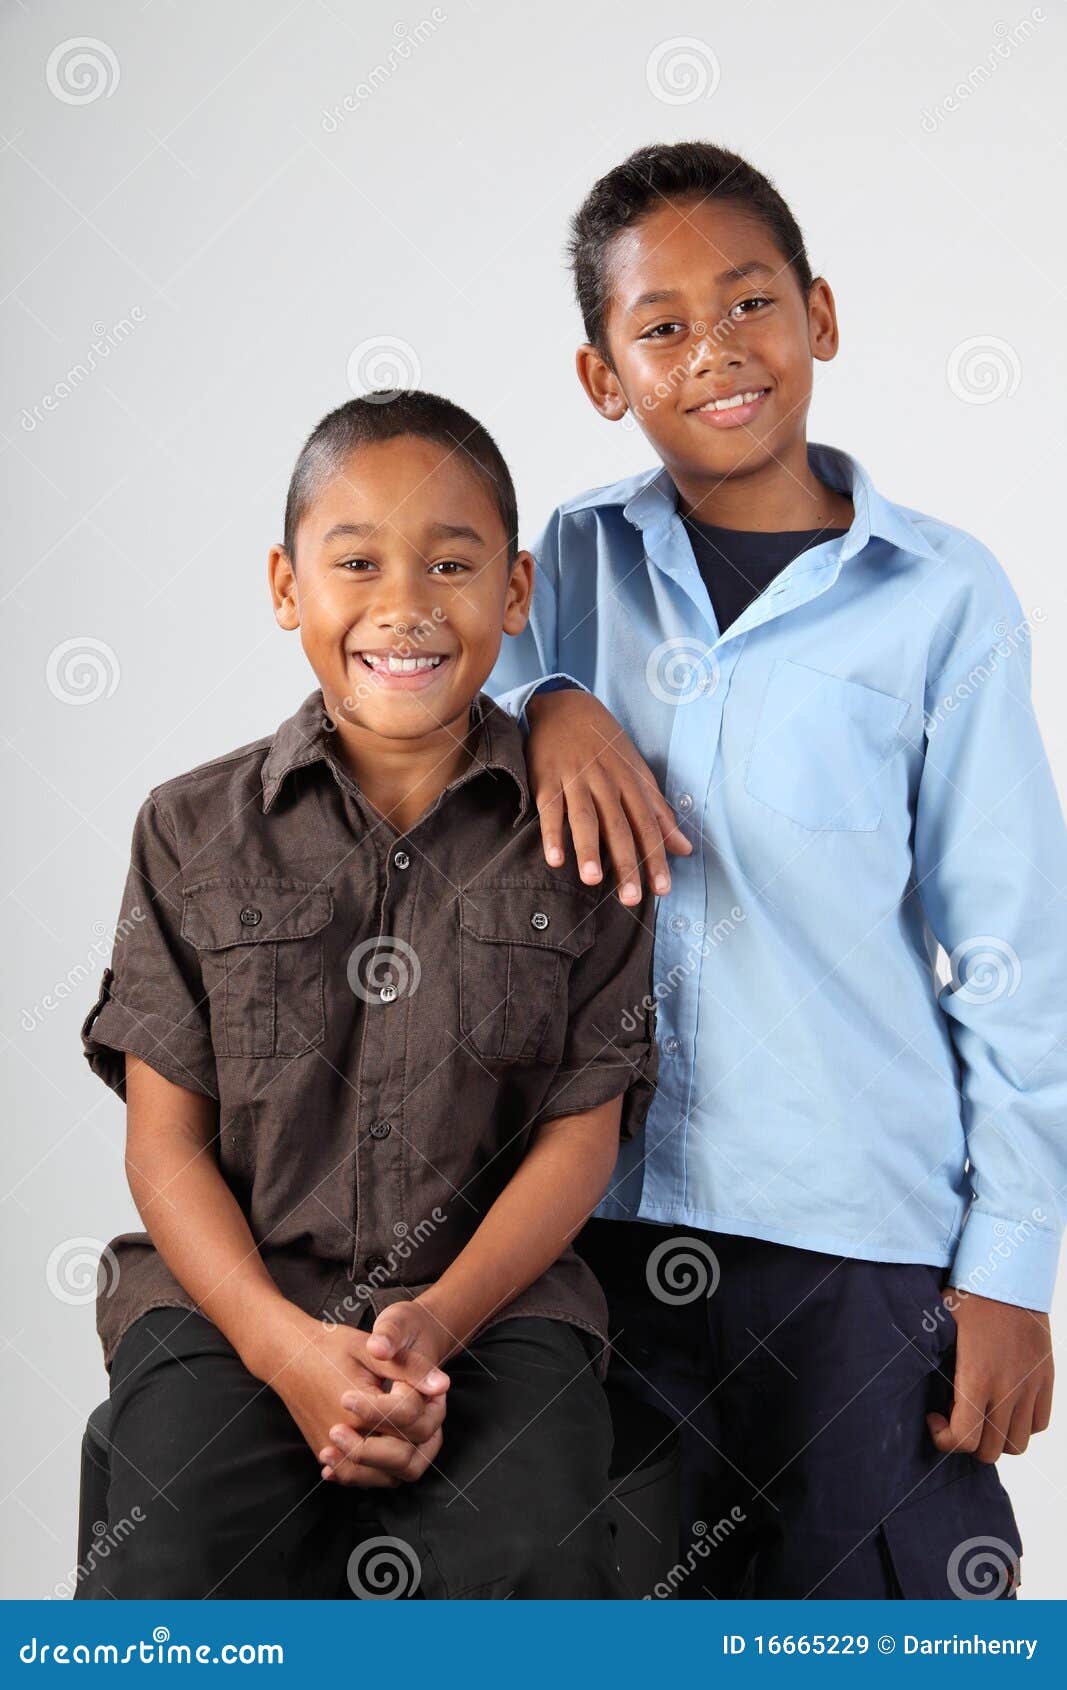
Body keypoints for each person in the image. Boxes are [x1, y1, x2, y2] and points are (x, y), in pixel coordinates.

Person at [487, 140, 1066, 1599]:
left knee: (878, 1618)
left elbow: (1011, 948)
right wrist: (548, 694)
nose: (715, 351)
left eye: (748, 302)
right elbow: (427, 704)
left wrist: (1007, 1261)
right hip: (585, 1227)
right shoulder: (558, 566)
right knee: (618, 1613)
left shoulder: (941, 597)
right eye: (659, 325)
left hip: (851, 1241)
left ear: (817, 312)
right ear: (600, 377)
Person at [77, 391, 659, 1600]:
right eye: (357, 563)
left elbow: (579, 1134)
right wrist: (285, 1348)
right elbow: (164, 1146)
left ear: (513, 594)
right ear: (289, 587)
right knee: (168, 1557)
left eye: (452, 563)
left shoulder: (581, 840)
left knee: (532, 1558)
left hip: (493, 1312)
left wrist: (436, 1323)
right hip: (229, 1300)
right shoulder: (189, 829)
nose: (405, 604)